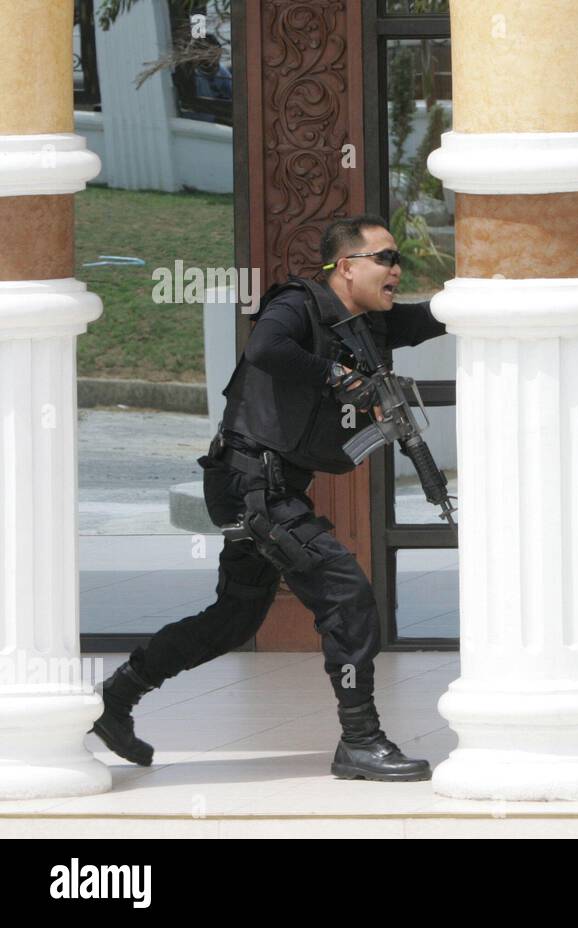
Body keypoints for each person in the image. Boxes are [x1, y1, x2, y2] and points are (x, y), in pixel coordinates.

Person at [90, 216, 446, 781]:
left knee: (234, 619)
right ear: (346, 266)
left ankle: (115, 697)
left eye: (397, 259)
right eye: (385, 257)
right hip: (251, 485)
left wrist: (498, 282)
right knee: (346, 595)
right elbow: (265, 347)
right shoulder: (297, 304)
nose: (397, 268)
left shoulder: (368, 325)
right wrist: (335, 376)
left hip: (272, 486)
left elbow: (435, 317)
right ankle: (360, 739)